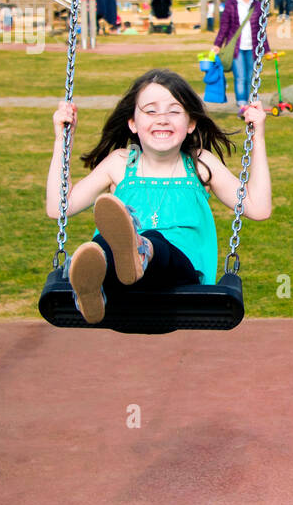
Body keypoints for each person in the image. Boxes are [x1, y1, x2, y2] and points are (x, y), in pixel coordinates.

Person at [45, 69, 270, 325]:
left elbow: (258, 208)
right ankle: (90, 284)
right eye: (150, 111)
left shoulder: (199, 164)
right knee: (104, 247)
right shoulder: (120, 164)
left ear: (191, 123)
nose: (162, 119)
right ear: (132, 122)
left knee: (154, 240)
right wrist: (63, 138)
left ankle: (139, 250)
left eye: (174, 111)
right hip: (122, 288)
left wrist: (258, 136)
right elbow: (58, 207)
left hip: (180, 276)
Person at [213, 0, 263, 112]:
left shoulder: (258, 6)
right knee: (240, 77)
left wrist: (267, 49)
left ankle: (248, 103)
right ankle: (242, 104)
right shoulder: (232, 3)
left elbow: (261, 30)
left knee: (250, 77)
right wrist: (217, 44)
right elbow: (224, 26)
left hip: (252, 47)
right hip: (237, 47)